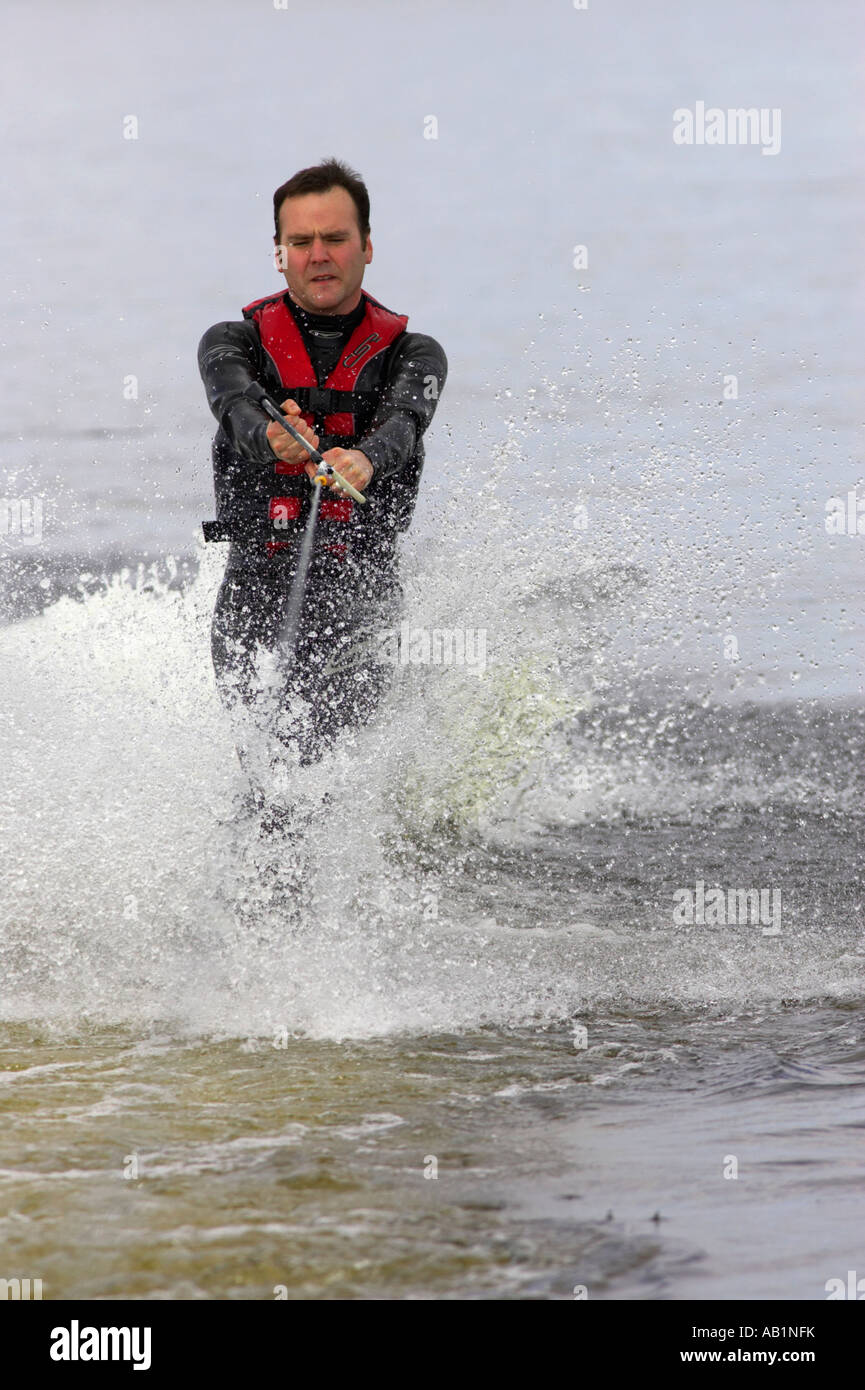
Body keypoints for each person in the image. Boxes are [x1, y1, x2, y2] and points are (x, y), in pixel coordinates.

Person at [197, 157, 447, 792]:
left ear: (366, 246)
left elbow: (405, 421)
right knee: (264, 777)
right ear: (279, 254)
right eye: (301, 242)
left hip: (359, 592)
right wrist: (274, 438)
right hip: (255, 592)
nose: (319, 255)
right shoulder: (231, 342)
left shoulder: (414, 356)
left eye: (335, 238)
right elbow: (235, 405)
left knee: (331, 775)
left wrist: (363, 457)